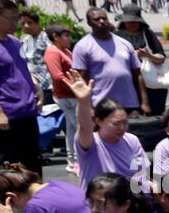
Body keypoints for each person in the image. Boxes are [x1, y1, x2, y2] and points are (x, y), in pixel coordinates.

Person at [65, 70, 151, 201]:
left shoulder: (132, 140)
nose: (122, 128)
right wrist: (83, 101)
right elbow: (84, 127)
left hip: (130, 201)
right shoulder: (91, 142)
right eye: (116, 123)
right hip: (100, 205)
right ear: (98, 121)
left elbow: (141, 174)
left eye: (125, 122)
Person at [0, 0, 41, 171]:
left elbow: (22, 70)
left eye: (17, 19)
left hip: (28, 112)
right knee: (9, 170)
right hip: (8, 115)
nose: (16, 24)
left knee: (33, 167)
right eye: (11, 19)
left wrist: (36, 86)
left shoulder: (14, 41)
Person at [72, 8, 148, 114]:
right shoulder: (83, 46)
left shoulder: (125, 43)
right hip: (101, 105)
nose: (102, 21)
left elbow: (138, 74)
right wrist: (87, 106)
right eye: (97, 19)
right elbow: (80, 79)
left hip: (129, 104)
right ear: (89, 23)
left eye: (104, 18)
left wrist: (144, 102)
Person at [115, 4, 169, 114]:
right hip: (128, 83)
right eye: (129, 21)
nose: (132, 24)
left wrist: (148, 55)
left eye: (135, 21)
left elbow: (161, 57)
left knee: (154, 113)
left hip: (151, 84)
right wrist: (130, 56)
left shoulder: (147, 34)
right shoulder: (116, 36)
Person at [43, 24, 78, 173]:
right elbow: (57, 76)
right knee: (79, 127)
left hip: (71, 95)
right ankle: (78, 161)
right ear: (55, 37)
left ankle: (72, 160)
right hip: (66, 96)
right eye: (66, 35)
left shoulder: (65, 51)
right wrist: (76, 88)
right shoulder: (52, 52)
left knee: (71, 128)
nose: (69, 38)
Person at [17, 9, 50, 106]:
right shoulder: (24, 39)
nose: (25, 26)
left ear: (37, 23)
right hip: (31, 86)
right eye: (23, 23)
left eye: (29, 22)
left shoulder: (45, 37)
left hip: (47, 86)